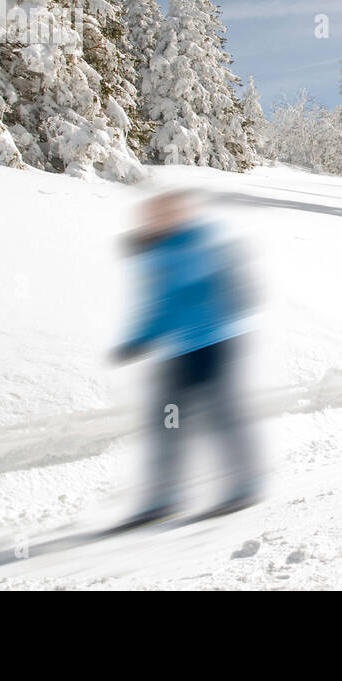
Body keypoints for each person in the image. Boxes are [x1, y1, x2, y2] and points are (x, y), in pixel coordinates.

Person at [112, 188, 259, 527]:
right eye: (151, 217)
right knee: (169, 423)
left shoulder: (199, 242)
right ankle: (164, 498)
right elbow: (159, 306)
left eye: (161, 214)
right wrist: (136, 340)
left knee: (222, 419)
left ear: (179, 215)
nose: (154, 221)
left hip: (214, 346)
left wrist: (152, 251)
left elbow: (191, 285)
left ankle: (245, 484)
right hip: (178, 353)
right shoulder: (160, 254)